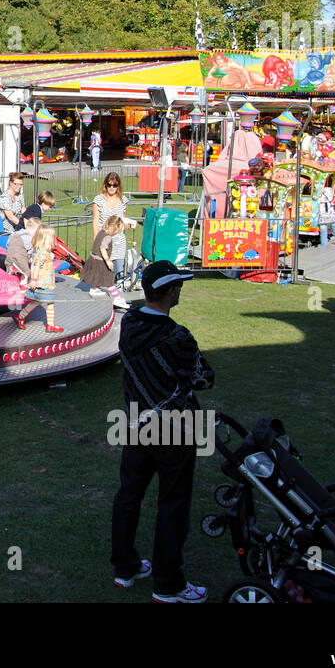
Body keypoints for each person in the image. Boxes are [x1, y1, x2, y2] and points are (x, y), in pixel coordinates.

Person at [110, 260, 213, 604]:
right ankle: (168, 585)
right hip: (175, 430)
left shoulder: (129, 322)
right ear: (169, 292)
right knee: (173, 504)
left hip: (137, 424)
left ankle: (125, 568)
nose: (180, 290)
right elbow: (204, 377)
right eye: (178, 286)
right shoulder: (177, 336)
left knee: (129, 496)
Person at [11, 224, 64, 332]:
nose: (54, 241)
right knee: (43, 302)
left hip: (47, 282)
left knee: (42, 302)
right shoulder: (41, 253)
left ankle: (23, 317)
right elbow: (35, 268)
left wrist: (52, 278)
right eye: (51, 238)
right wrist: (34, 280)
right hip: (42, 283)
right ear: (45, 239)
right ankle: (23, 317)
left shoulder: (47, 252)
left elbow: (49, 268)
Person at [82, 215, 131, 309]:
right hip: (100, 261)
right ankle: (117, 299)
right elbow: (102, 248)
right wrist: (108, 261)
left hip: (93, 259)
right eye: (117, 231)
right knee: (109, 280)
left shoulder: (101, 232)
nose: (117, 233)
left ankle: (94, 289)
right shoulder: (107, 237)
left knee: (98, 276)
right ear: (114, 228)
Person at [92, 172, 133, 267]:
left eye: (114, 185)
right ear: (105, 185)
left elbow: (123, 219)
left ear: (118, 186)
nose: (111, 187)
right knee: (102, 274)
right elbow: (96, 220)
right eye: (109, 185)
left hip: (119, 242)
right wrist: (95, 238)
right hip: (103, 241)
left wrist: (126, 225)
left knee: (119, 272)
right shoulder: (98, 200)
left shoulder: (123, 200)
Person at [317, 176, 335, 247]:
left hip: (323, 216)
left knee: (323, 229)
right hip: (331, 215)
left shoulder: (321, 200)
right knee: (334, 226)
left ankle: (324, 243)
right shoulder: (330, 199)